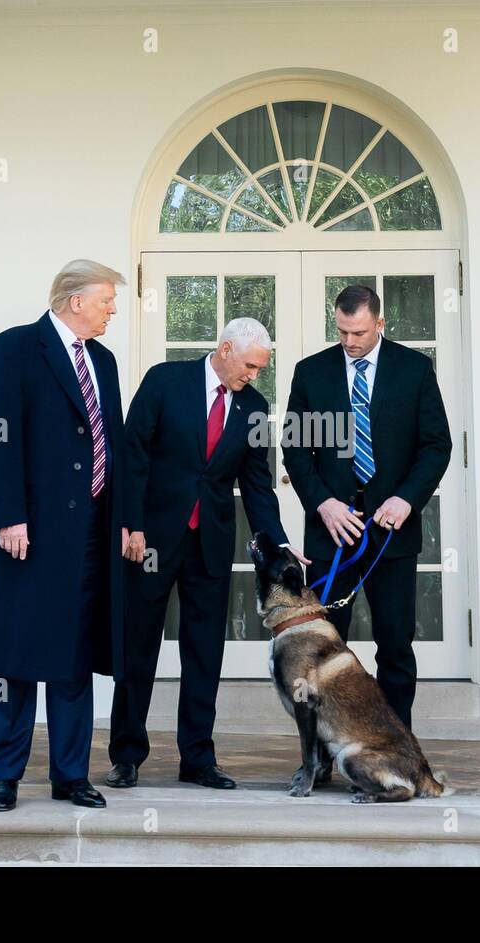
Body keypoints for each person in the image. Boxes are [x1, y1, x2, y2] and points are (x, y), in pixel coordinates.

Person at [106, 317, 304, 790]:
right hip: (149, 541)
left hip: (210, 546)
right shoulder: (165, 380)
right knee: (138, 649)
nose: (253, 376)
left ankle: (197, 758)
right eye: (250, 366)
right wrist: (128, 524)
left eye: (261, 369)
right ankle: (127, 755)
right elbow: (132, 455)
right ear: (226, 348)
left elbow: (257, 485)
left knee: (204, 654)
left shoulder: (254, 406)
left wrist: (277, 540)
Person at [0, 259, 128, 812]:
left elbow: (116, 442)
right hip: (27, 534)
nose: (113, 309)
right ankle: (6, 775)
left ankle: (70, 775)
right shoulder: (15, 348)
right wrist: (9, 515)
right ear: (75, 300)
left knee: (74, 655)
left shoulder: (102, 361)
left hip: (89, 533)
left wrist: (123, 518)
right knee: (15, 656)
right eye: (107, 299)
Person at [283, 284, 451, 783]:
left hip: (390, 533)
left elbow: (436, 446)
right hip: (332, 533)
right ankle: (318, 761)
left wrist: (405, 498)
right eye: (341, 331)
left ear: (380, 324)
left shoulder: (414, 369)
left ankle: (398, 753)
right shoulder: (311, 373)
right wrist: (324, 503)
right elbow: (294, 450)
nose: (349, 341)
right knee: (319, 654)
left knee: (394, 644)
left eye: (358, 332)